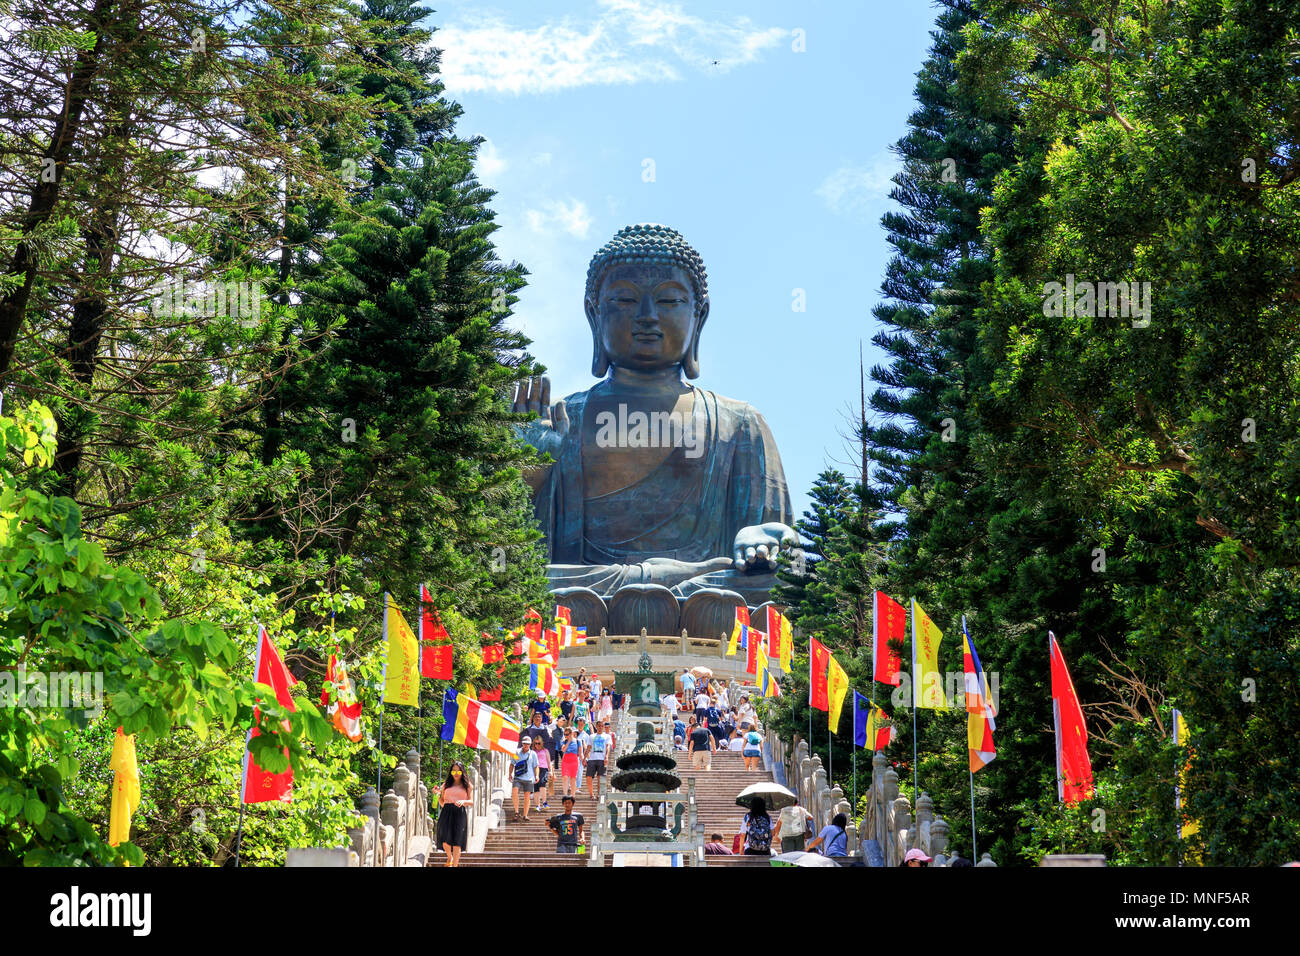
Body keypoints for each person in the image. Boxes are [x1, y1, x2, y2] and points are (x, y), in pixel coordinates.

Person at [434, 761, 473, 867]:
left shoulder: (467, 785)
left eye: (459, 772)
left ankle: (455, 865)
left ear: (462, 772)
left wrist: (463, 802)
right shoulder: (445, 785)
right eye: (454, 771)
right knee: (444, 840)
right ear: (451, 772)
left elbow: (471, 801)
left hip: (460, 812)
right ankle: (449, 857)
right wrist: (437, 796)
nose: (456, 773)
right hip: (446, 811)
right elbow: (442, 802)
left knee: (457, 841)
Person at [511, 737, 538, 821]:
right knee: (514, 791)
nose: (526, 745)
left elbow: (536, 766)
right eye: (524, 743)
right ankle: (516, 812)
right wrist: (509, 774)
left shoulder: (533, 754)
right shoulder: (517, 752)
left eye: (528, 744)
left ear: (530, 744)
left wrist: (537, 775)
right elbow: (512, 764)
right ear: (522, 743)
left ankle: (525, 815)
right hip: (518, 776)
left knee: (527, 796)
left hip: (529, 777)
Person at [586, 720, 612, 798]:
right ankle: (591, 794)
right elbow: (588, 747)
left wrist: (606, 756)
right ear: (596, 726)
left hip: (602, 758)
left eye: (602, 726)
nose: (600, 727)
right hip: (592, 759)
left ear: (603, 727)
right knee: (588, 777)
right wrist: (584, 758)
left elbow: (608, 747)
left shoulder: (607, 736)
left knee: (600, 778)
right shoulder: (592, 736)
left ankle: (599, 794)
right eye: (599, 726)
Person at [560, 727, 583, 797]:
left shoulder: (578, 741)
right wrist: (568, 741)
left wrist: (583, 760)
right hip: (565, 760)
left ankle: (573, 796)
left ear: (571, 733)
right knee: (565, 777)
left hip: (574, 760)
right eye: (565, 734)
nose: (566, 736)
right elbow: (563, 750)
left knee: (573, 778)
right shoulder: (564, 741)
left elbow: (580, 752)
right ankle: (565, 795)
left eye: (567, 734)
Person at [532, 735, 552, 810]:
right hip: (535, 769)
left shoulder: (545, 751)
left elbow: (549, 761)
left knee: (542, 784)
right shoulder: (533, 751)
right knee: (536, 787)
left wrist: (550, 771)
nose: (537, 745)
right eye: (535, 743)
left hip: (544, 769)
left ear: (541, 743)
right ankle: (537, 805)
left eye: (538, 743)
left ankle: (544, 803)